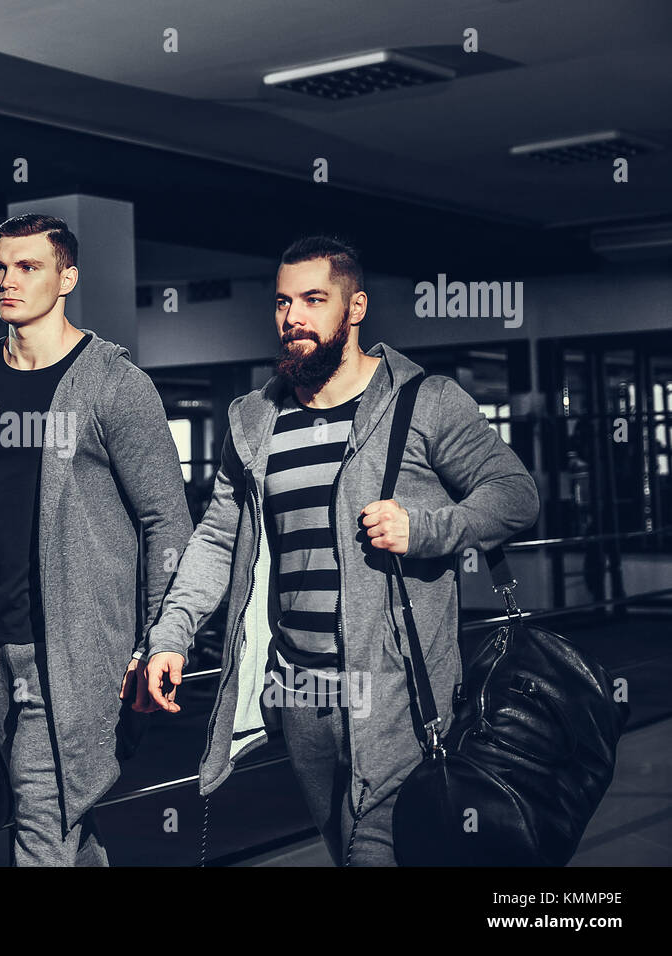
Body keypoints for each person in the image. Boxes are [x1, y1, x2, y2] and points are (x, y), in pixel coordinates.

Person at [140, 235, 540, 866]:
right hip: (299, 695)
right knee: (347, 850)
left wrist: (428, 529)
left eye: (313, 300)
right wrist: (171, 634)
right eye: (282, 302)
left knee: (375, 853)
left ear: (355, 307)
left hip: (397, 694)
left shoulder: (423, 402)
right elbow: (218, 539)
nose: (293, 317)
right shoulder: (253, 421)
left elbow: (515, 495)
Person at [0, 214, 193, 865]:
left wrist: (165, 638)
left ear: (67, 277)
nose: (9, 281)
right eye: (0, 267)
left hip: (74, 648)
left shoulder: (117, 387)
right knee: (57, 814)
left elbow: (167, 522)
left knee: (42, 813)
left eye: (29, 267)